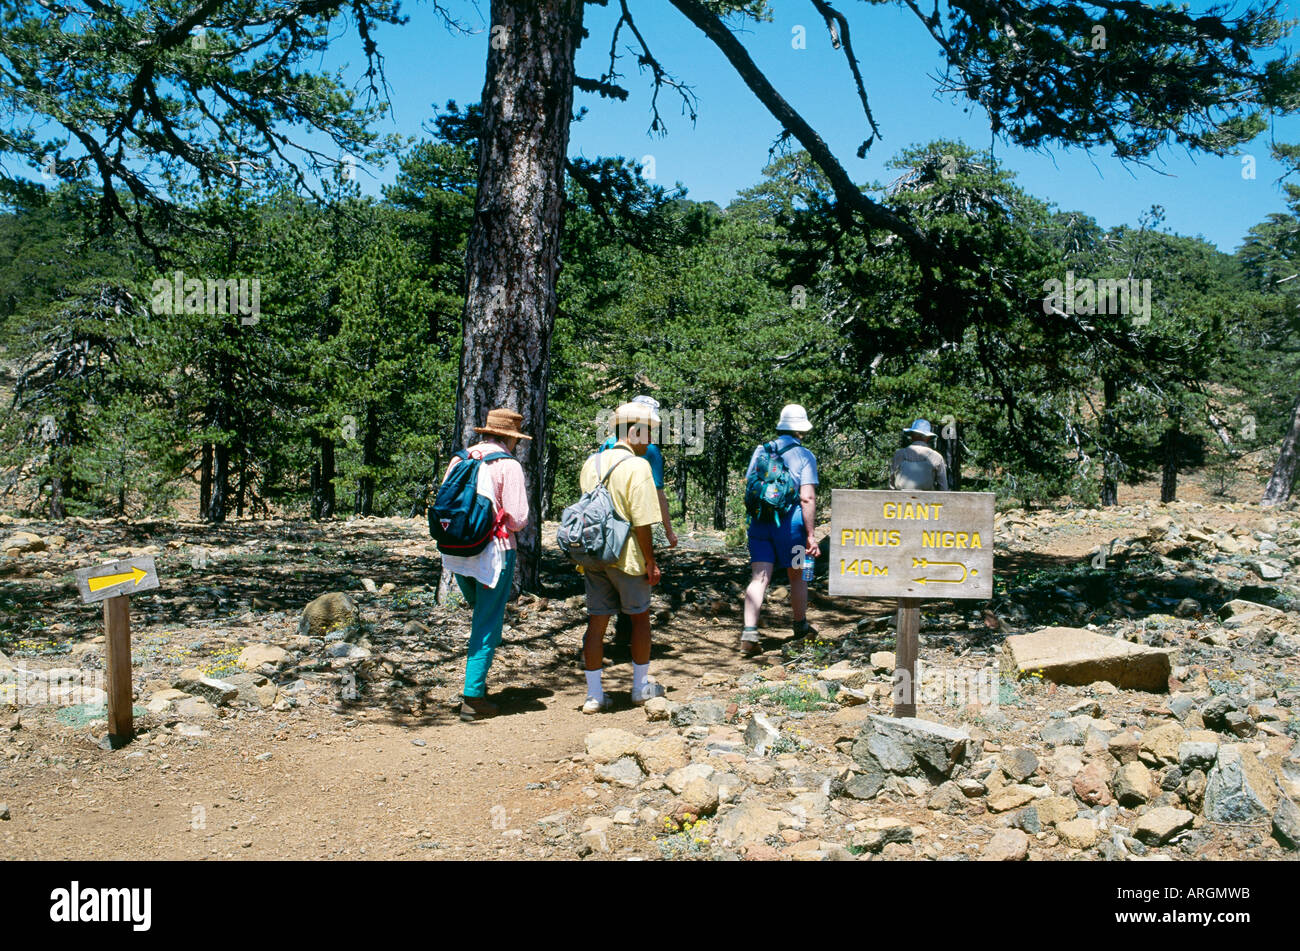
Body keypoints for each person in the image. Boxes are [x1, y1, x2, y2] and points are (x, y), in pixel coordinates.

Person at [441, 409, 531, 721]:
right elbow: (519, 519)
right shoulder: (508, 464)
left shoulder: (461, 458)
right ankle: (473, 696)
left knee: (482, 615)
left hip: (456, 551)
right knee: (487, 620)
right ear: (511, 437)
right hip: (494, 551)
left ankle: (476, 681)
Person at [579, 401, 665, 713]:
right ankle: (640, 688)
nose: (651, 441)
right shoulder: (637, 467)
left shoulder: (593, 463)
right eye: (649, 433)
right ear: (635, 431)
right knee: (640, 618)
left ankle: (594, 695)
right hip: (627, 556)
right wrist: (651, 562)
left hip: (594, 555)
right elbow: (642, 521)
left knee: (596, 623)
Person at [741, 403, 820, 656]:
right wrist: (810, 535)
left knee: (759, 577)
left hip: (760, 523)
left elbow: (750, 484)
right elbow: (806, 498)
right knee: (797, 574)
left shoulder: (761, 450)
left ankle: (749, 632)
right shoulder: (805, 456)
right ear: (801, 430)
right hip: (792, 527)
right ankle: (800, 626)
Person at [600, 394, 677, 647]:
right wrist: (668, 529)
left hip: (602, 527)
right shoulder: (650, 451)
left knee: (604, 584)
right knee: (636, 578)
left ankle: (596, 648)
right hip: (634, 524)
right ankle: (628, 639)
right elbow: (658, 493)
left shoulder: (606, 445)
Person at [889, 419, 949, 491]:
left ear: (911, 435)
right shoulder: (936, 457)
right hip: (928, 500)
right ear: (928, 437)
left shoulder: (899, 454)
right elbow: (943, 486)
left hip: (901, 500)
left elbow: (891, 482)